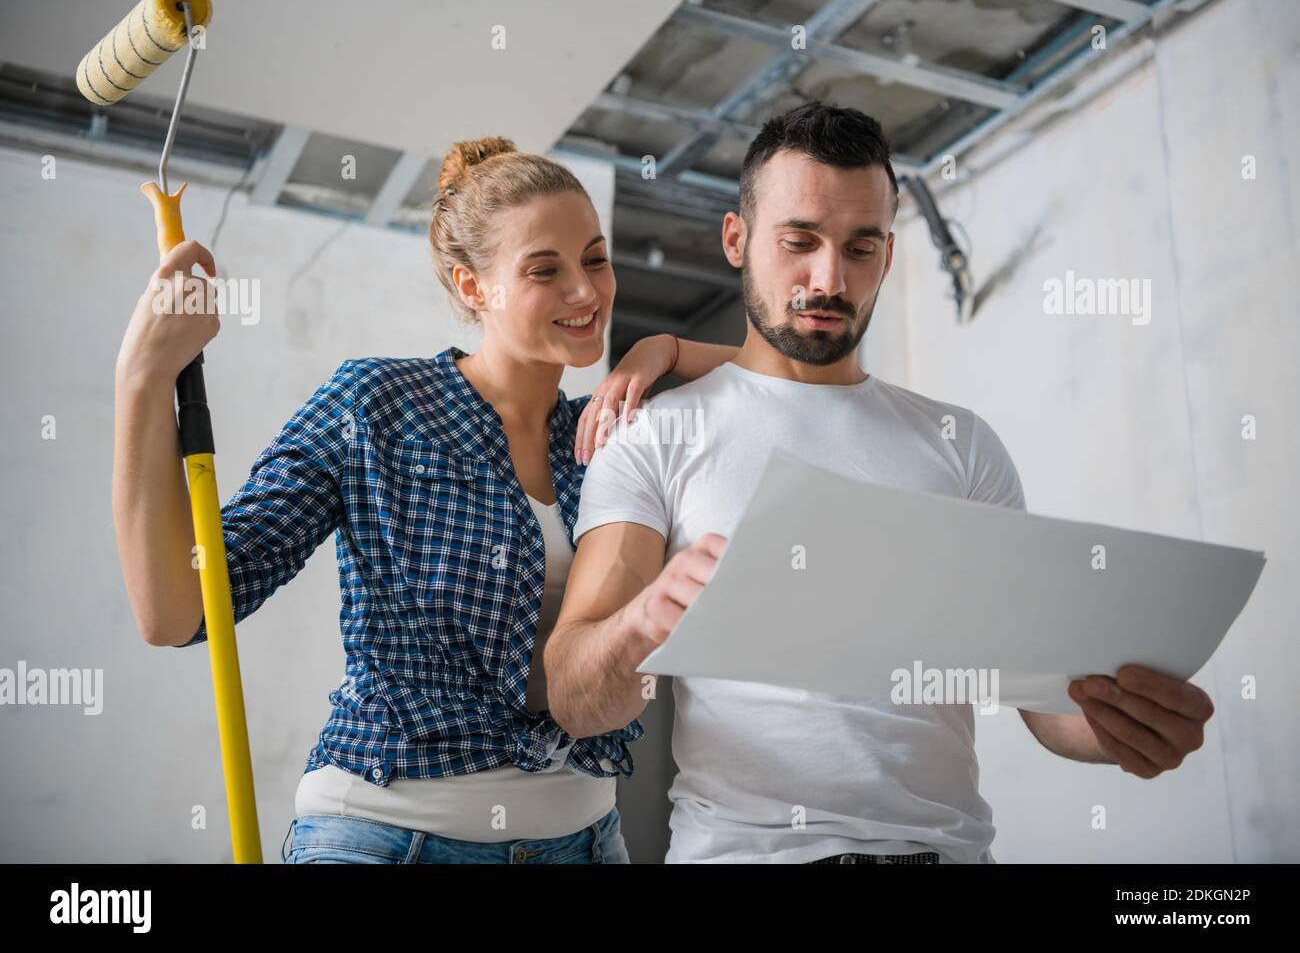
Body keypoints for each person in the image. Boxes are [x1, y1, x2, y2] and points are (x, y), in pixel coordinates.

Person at [545, 101, 1216, 864]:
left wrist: (1121, 728)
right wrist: (644, 622)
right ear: (737, 240)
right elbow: (574, 696)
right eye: (799, 241)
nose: (829, 279)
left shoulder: (962, 446)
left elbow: (1041, 696)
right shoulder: (655, 435)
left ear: (889, 257)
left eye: (860, 247)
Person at [112, 135, 739, 864]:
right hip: (386, 838)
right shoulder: (376, 404)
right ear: (471, 286)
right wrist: (143, 381)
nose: (586, 291)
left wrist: (660, 349)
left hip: (584, 842)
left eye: (595, 260)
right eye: (546, 269)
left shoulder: (606, 437)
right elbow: (181, 609)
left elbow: (779, 377)